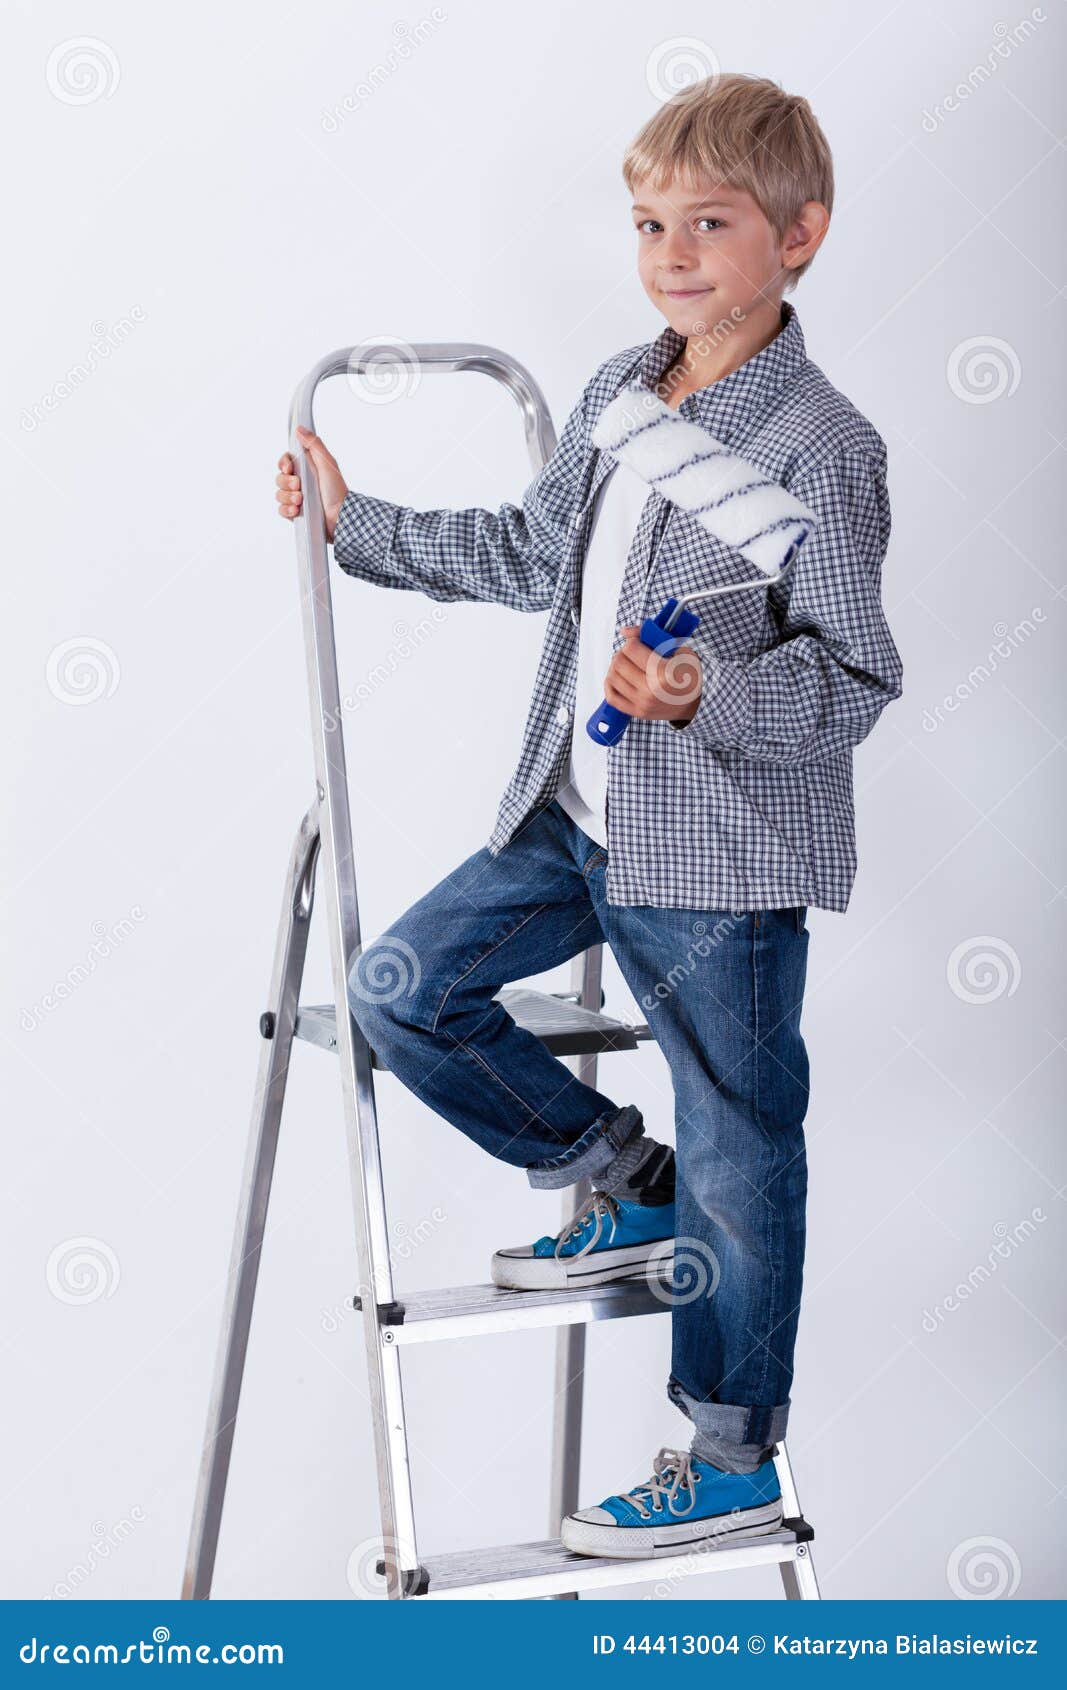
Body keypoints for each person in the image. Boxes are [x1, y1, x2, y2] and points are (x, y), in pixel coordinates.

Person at [274, 72, 903, 1559]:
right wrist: (355, 525)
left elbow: (858, 673)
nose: (673, 253)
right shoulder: (626, 388)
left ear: (801, 233)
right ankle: (619, 1183)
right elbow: (528, 554)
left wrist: (707, 694)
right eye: (648, 223)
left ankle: (730, 1454)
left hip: (721, 856)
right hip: (577, 813)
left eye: (711, 222)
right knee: (402, 988)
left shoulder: (827, 444)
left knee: (746, 1143)